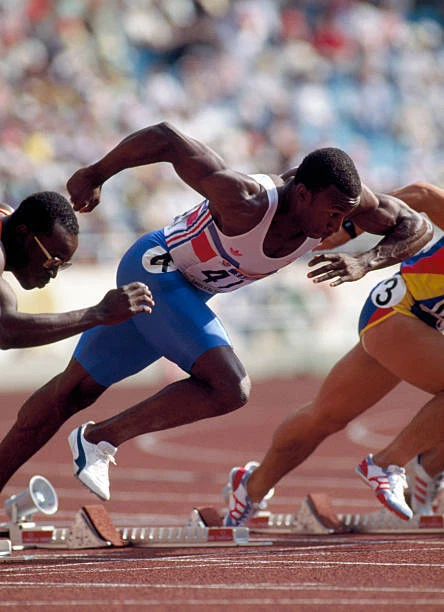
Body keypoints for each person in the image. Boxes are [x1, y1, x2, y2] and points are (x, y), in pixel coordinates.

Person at [0, 122, 431, 502]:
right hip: (155, 269)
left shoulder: (346, 203)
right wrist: (97, 173)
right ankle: (101, 438)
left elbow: (417, 225)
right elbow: (166, 139)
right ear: (302, 194)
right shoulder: (245, 199)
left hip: (185, 295)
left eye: (346, 214)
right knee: (230, 386)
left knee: (70, 394)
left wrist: (366, 261)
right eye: (333, 214)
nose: (339, 225)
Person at [223, 182, 444, 525]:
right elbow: (423, 194)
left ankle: (250, 488)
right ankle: (390, 464)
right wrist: (353, 226)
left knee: (324, 416)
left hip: (419, 330)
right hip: (399, 314)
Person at [0, 191, 154, 350]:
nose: (53, 274)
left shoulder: (6, 214)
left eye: (61, 266)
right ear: (23, 232)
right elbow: (6, 331)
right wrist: (100, 313)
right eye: (53, 261)